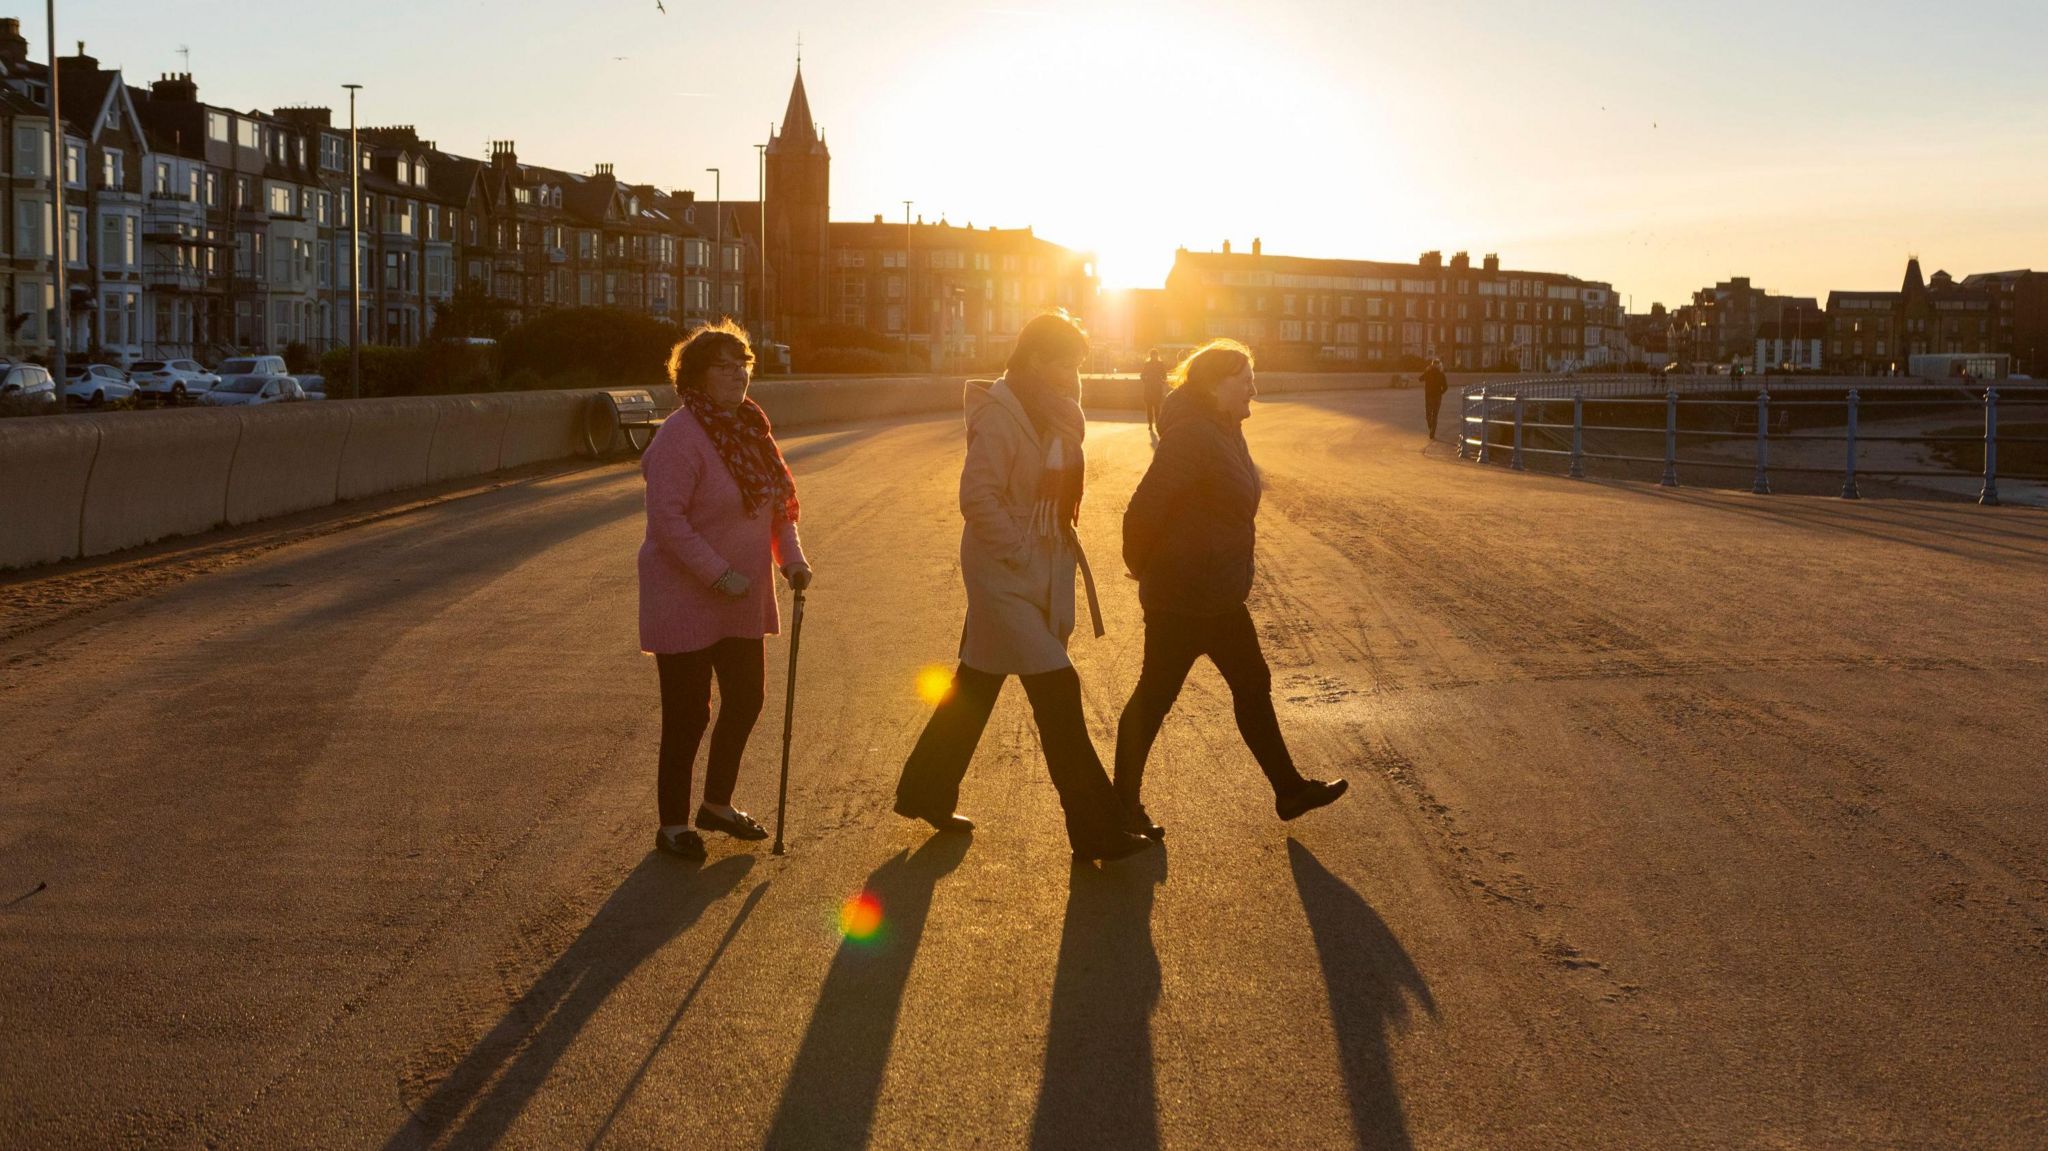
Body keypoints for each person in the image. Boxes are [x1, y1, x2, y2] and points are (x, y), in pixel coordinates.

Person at [894, 310, 1157, 865]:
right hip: (1001, 573)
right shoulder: (999, 416)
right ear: (1036, 359)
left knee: (976, 684)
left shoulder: (1057, 414)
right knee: (1059, 693)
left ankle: (925, 791)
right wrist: (1017, 551)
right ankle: (1098, 829)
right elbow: (977, 497)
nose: (1074, 374)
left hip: (1035, 567)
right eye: (1067, 362)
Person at [1114, 339, 1347, 838]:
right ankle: (1122, 807)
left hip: (1218, 594)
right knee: (1155, 698)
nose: (1253, 388)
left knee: (1251, 686)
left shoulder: (1226, 430)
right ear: (1214, 386)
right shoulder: (1194, 435)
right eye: (1245, 380)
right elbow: (1142, 510)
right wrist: (1145, 569)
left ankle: (1288, 790)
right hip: (1183, 598)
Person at [639, 319, 813, 861]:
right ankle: (673, 826)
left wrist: (793, 561)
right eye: (725, 365)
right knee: (689, 714)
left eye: (744, 364)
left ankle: (716, 804)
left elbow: (777, 506)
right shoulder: (680, 436)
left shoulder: (750, 428)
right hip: (685, 597)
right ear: (695, 376)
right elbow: (668, 521)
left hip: (742, 594)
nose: (738, 373)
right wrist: (717, 573)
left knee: (747, 699)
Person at [1140, 348, 1168, 440]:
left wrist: (1162, 381)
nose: (1154, 357)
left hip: (1157, 389)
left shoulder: (1160, 364)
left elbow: (1164, 375)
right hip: (1149, 388)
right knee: (1149, 408)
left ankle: (1157, 424)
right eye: (1153, 355)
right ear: (1150, 356)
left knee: (1157, 408)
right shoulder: (1147, 364)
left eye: (1155, 355)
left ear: (1157, 356)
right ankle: (1150, 424)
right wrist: (1146, 381)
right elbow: (1142, 375)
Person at [1421, 357, 1449, 440]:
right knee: (1435, 415)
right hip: (1437, 397)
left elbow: (1420, 379)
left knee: (1428, 414)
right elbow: (1446, 387)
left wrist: (1426, 370)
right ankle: (1432, 432)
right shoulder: (1441, 374)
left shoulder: (1428, 372)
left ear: (1432, 365)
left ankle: (1430, 426)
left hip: (1429, 396)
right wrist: (1441, 392)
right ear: (1439, 365)